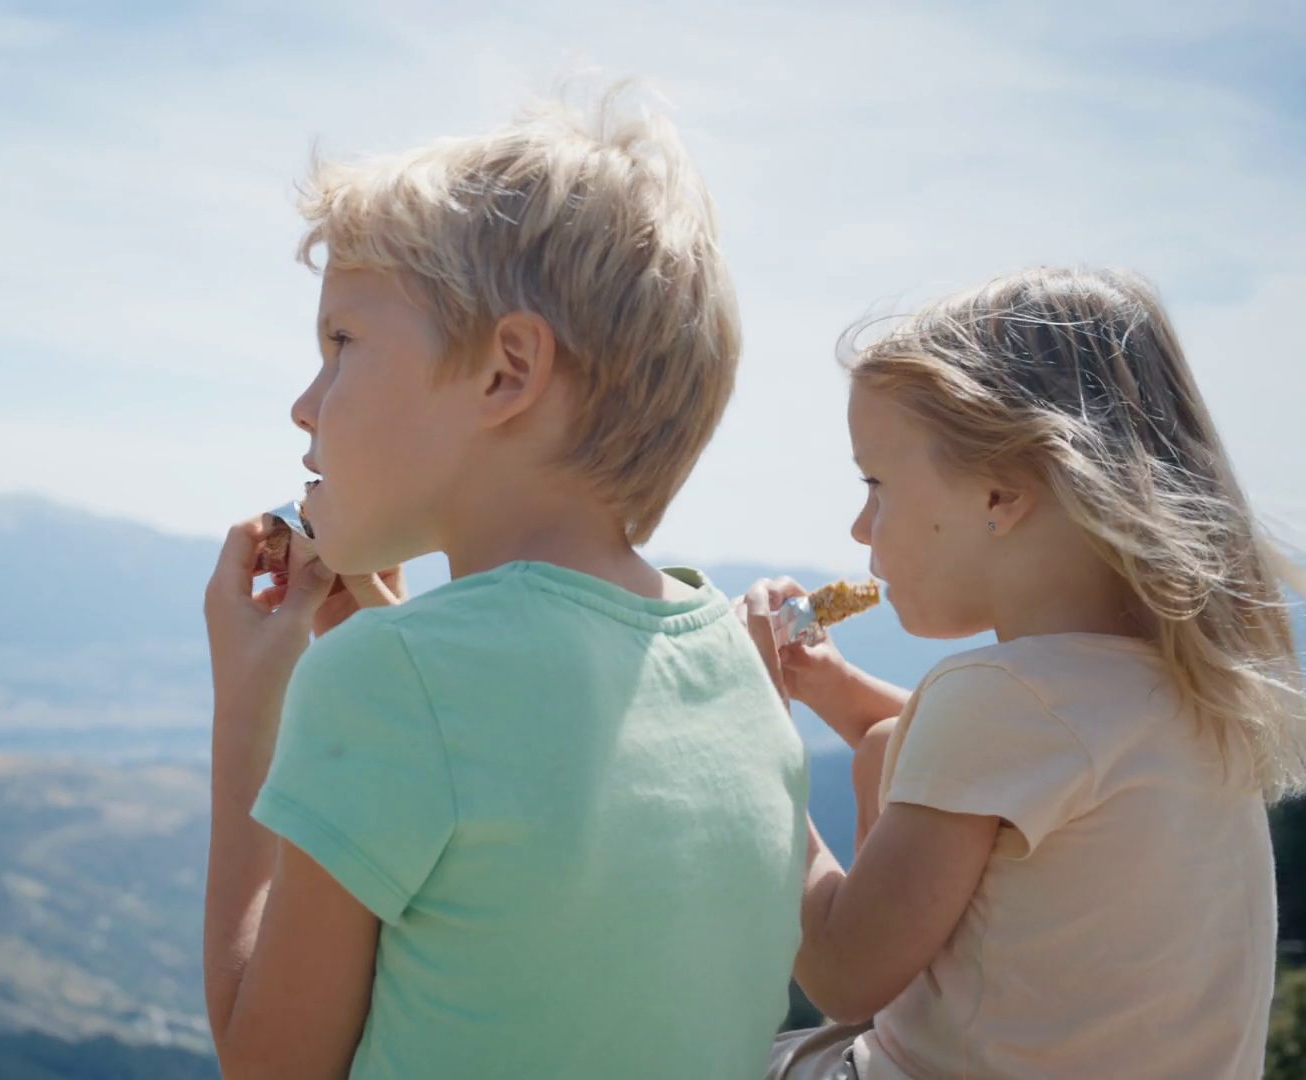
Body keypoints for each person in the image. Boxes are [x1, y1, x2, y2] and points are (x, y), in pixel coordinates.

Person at [200, 88, 808, 1079]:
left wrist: (246, 719)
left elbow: (268, 1064)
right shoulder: (735, 668)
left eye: (341, 344)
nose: (304, 405)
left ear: (506, 371)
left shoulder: (387, 680)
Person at [748, 267, 1306, 1079]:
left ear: (1002, 492)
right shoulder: (1184, 688)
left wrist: (754, 736)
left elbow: (842, 973)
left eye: (877, 484)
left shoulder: (998, 699)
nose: (860, 525)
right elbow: (995, 778)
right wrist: (831, 687)